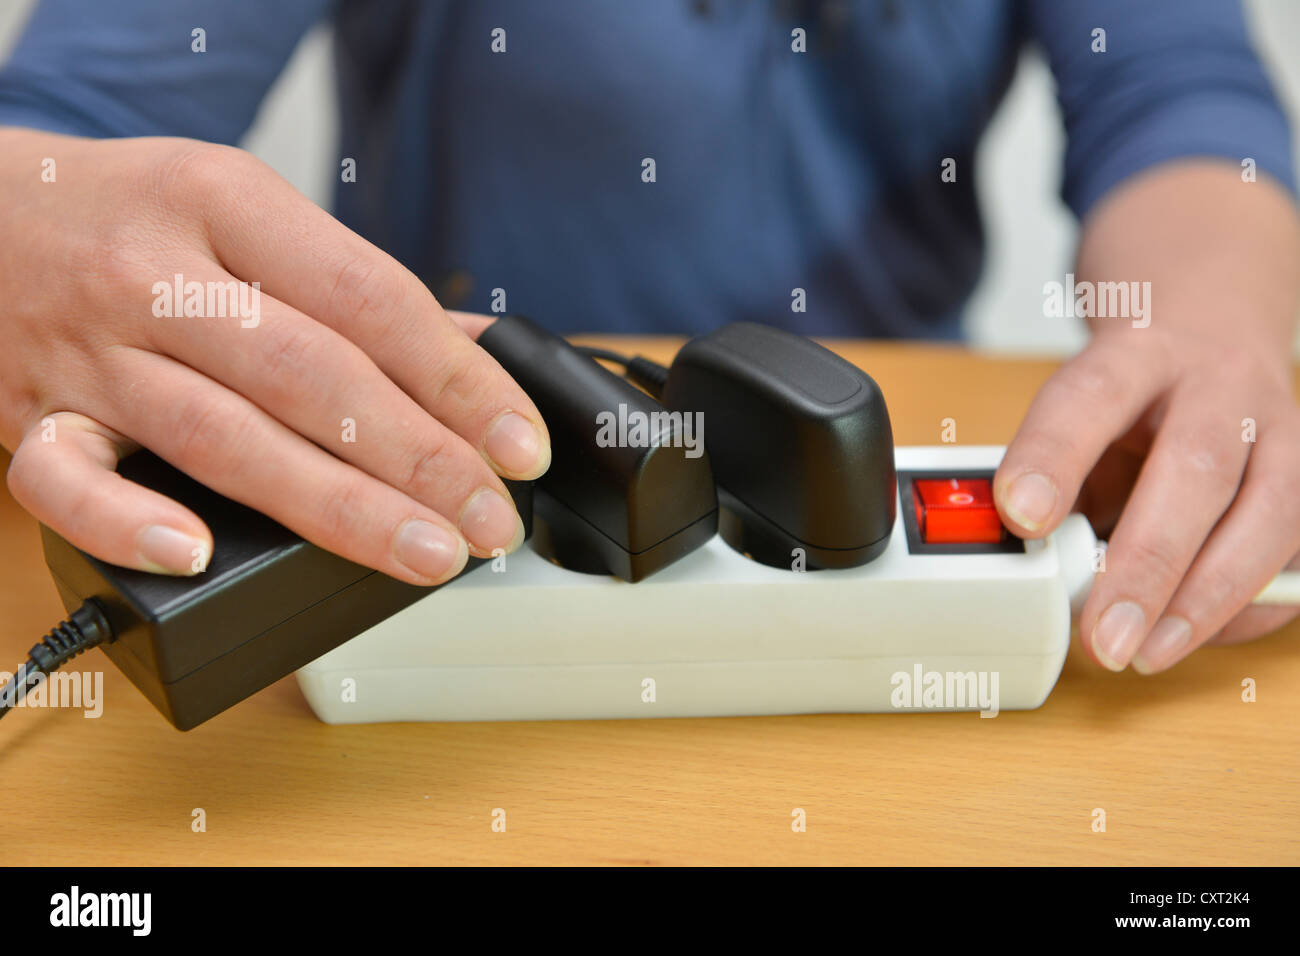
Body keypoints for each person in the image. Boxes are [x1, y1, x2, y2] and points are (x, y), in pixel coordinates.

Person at [0, 0, 1297, 677]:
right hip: (426, 454)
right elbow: (67, 116)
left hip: (875, 435)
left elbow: (1178, 95)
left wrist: (1213, 327)